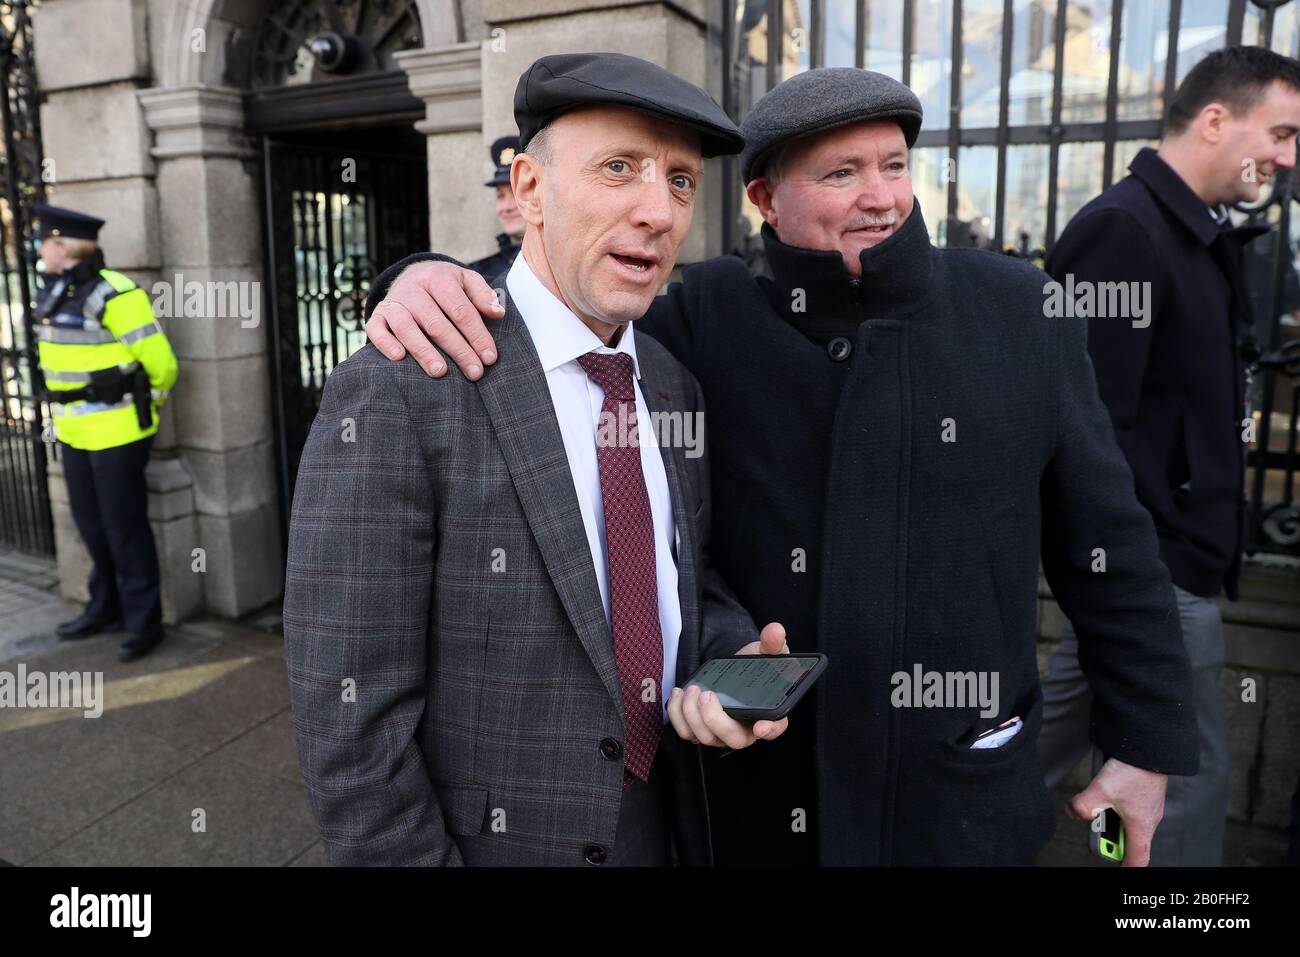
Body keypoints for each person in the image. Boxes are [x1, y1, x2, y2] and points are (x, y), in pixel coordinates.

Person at [361, 66, 1202, 867]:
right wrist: (421, 279)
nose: (880, 195)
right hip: (759, 799)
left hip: (959, 799)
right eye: (841, 173)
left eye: (893, 165)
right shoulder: (705, 316)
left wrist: (1144, 743)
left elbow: (1114, 550)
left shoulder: (1021, 311)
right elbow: (552, 295)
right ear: (765, 198)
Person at [283, 52, 790, 867]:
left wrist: (722, 661)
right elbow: (350, 723)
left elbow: (677, 582)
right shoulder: (401, 390)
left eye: (682, 180)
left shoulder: (670, 385)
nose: (657, 210)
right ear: (527, 191)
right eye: (619, 168)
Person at [1042, 46, 1300, 866]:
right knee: (1183, 782)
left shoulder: (1197, 234)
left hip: (1162, 567)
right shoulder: (1125, 229)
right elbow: (1084, 428)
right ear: (1217, 120)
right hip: (1153, 572)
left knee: (1047, 753)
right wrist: (1132, 577)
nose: (1290, 158)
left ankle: (929, 825)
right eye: (1284, 132)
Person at [34, 203, 178, 663]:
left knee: (124, 531)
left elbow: (164, 366)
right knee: (92, 528)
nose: (39, 248)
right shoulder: (55, 290)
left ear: (61, 245)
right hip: (74, 432)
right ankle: (104, 608)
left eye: (44, 240)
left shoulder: (117, 293)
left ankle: (143, 623)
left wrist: (145, 405)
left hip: (116, 434)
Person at [467, 135, 525, 281]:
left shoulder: (559, 270)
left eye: (516, 193)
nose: (506, 207)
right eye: (500, 196)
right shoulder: (476, 274)